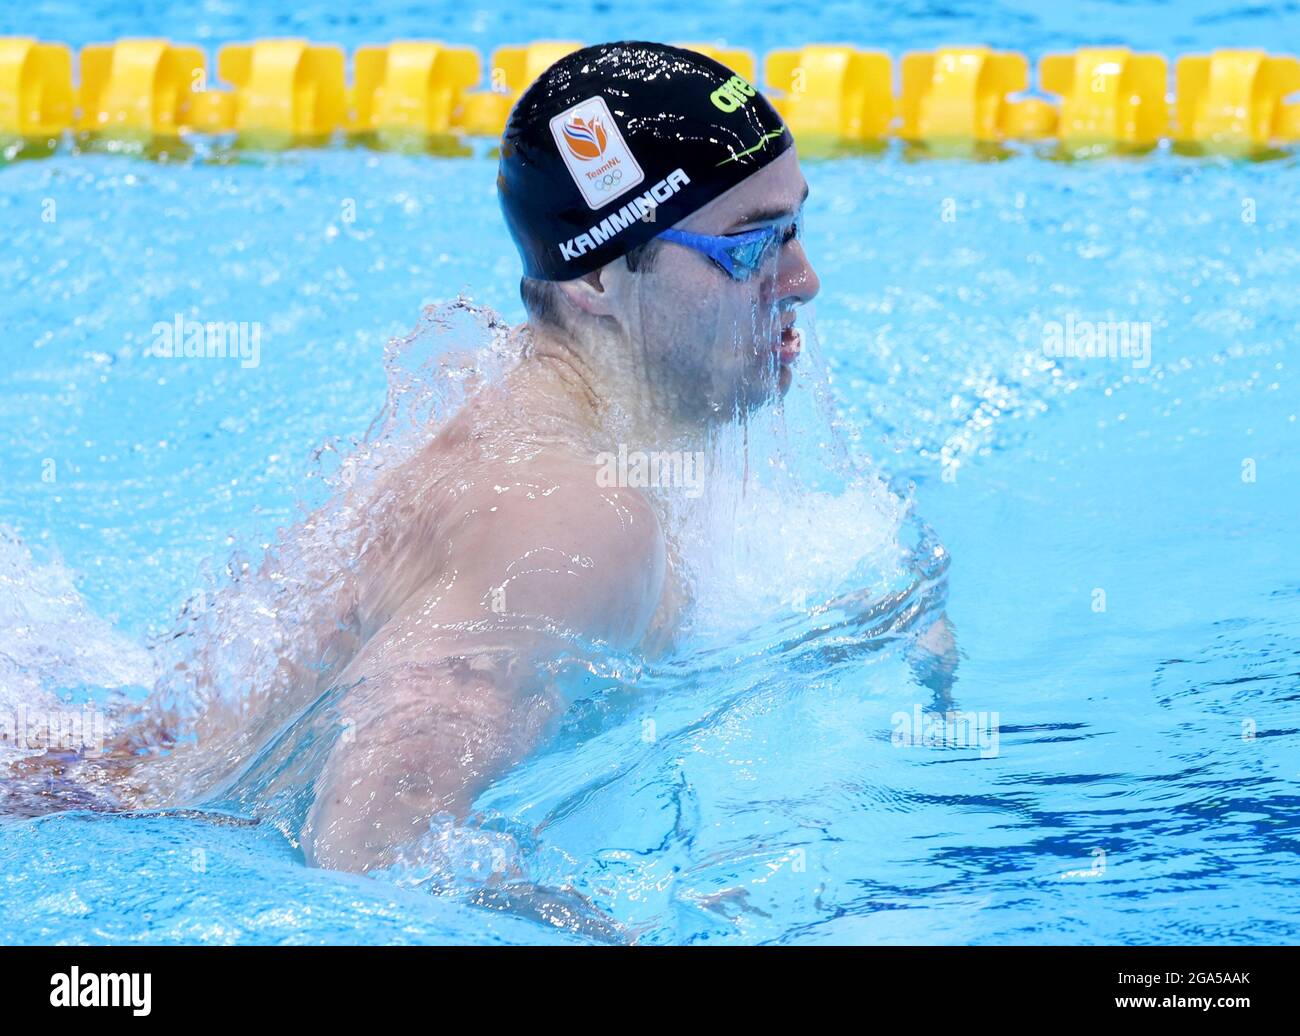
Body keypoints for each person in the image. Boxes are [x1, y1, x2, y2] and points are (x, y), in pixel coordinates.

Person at [300, 41, 822, 873]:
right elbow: (364, 849)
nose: (802, 279)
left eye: (797, 227)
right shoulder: (576, 520)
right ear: (599, 280)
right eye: (753, 248)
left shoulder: (617, 427)